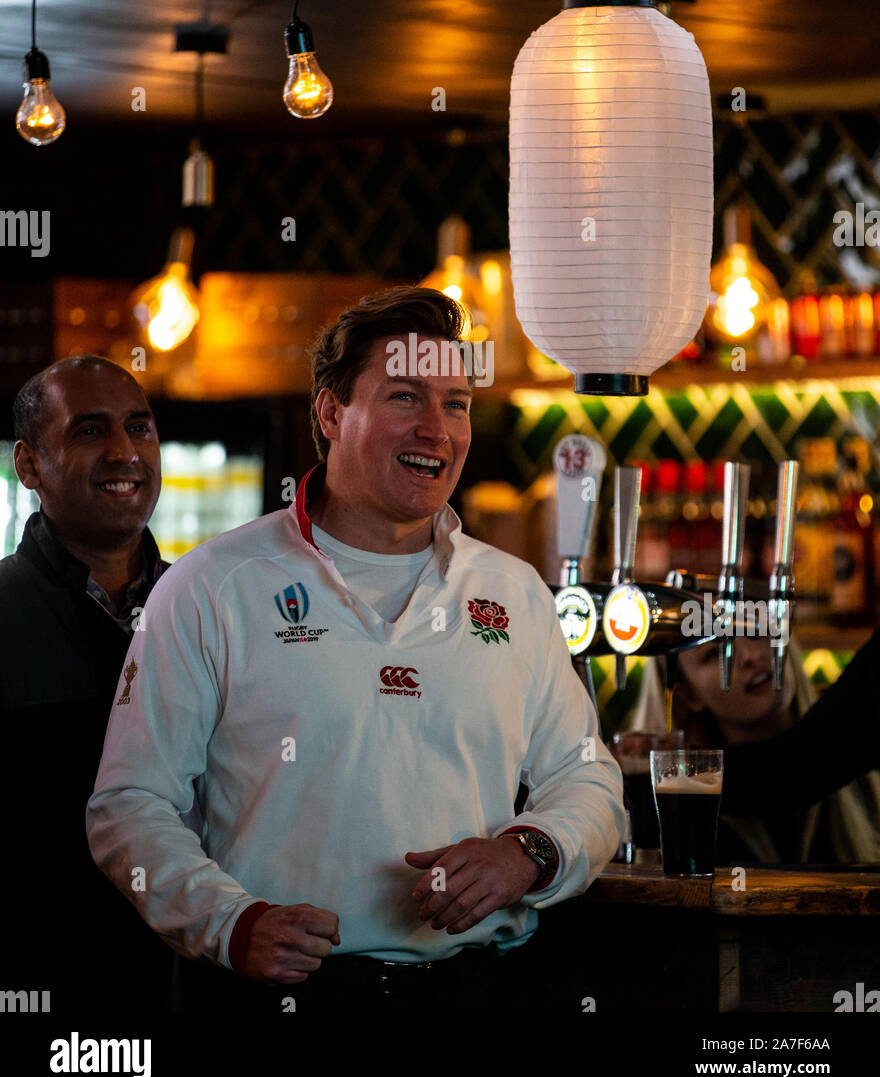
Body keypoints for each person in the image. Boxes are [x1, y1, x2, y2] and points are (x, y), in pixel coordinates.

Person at [86, 287, 624, 1014]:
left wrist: (529, 852)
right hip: (277, 1002)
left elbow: (587, 779)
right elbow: (130, 803)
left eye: (457, 404)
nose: (437, 429)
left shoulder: (513, 592)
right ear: (331, 412)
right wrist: (230, 922)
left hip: (474, 997)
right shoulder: (211, 587)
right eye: (406, 397)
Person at [0, 355, 174, 1014]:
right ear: (28, 464)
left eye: (139, 428)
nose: (126, 452)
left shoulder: (213, 607)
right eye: (90, 431)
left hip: (198, 979)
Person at [628, 635, 880, 864]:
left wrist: (662, 777)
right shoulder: (690, 835)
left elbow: (797, 766)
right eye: (716, 653)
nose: (750, 655)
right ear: (688, 696)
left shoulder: (862, 772)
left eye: (756, 629)